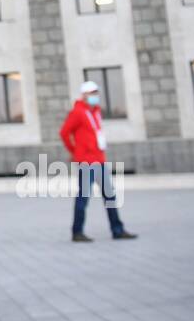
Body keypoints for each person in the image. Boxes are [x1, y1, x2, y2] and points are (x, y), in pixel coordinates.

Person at [58, 81, 137, 242]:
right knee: (83, 198)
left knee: (110, 196)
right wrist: (75, 152)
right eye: (92, 93)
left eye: (96, 93)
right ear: (84, 95)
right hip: (86, 161)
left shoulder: (95, 112)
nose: (95, 96)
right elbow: (64, 133)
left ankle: (117, 230)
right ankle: (77, 232)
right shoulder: (78, 112)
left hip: (99, 159)